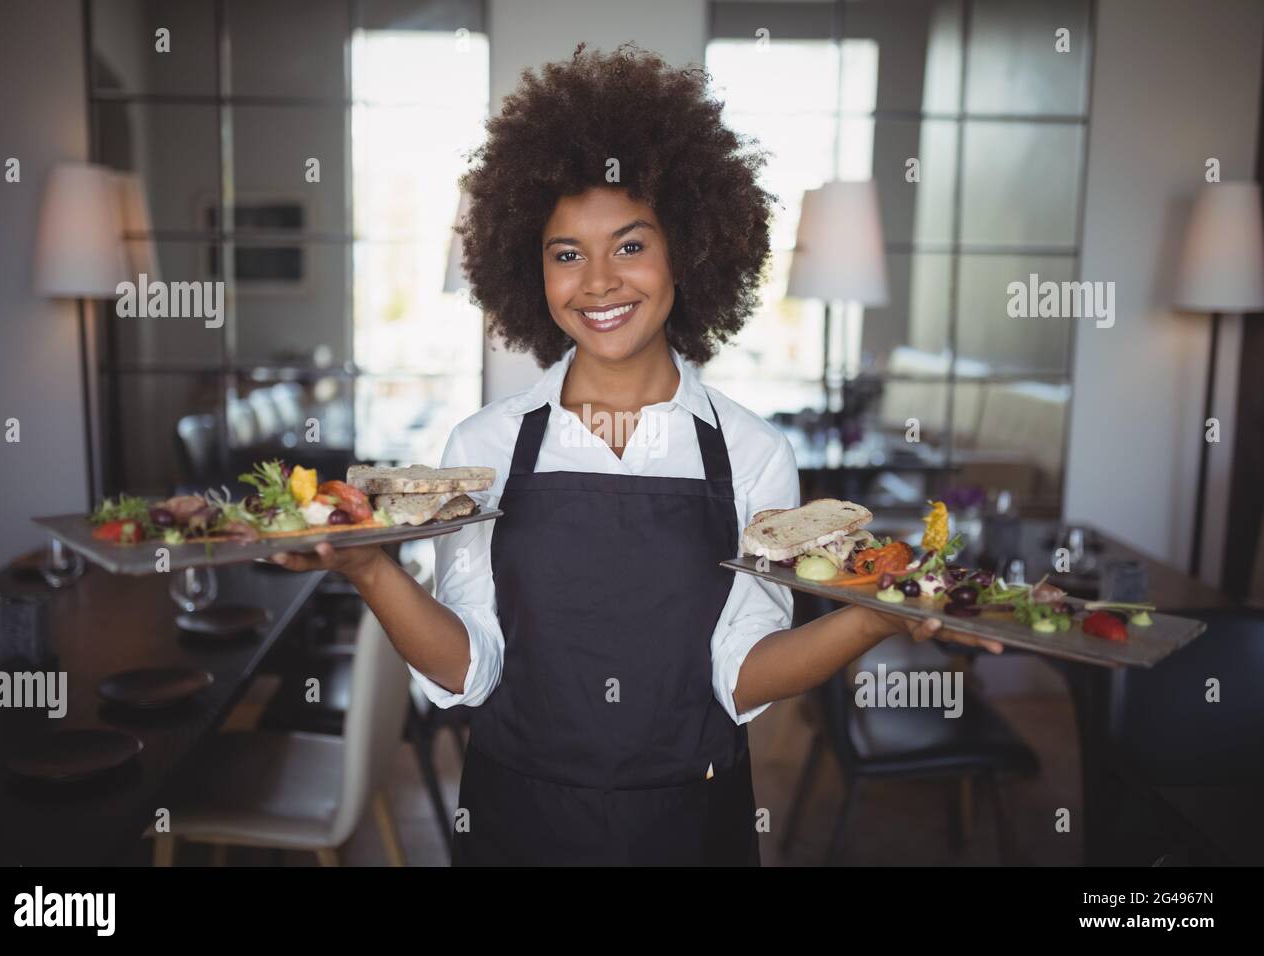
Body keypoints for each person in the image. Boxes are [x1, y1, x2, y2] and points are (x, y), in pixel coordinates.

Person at [272, 42, 1002, 866]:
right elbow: (471, 666)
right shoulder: (483, 444)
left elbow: (741, 673)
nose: (597, 283)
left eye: (630, 245)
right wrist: (373, 572)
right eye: (565, 253)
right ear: (529, 268)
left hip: (693, 823)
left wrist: (877, 615)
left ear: (686, 251)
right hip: (518, 818)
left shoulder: (751, 453)